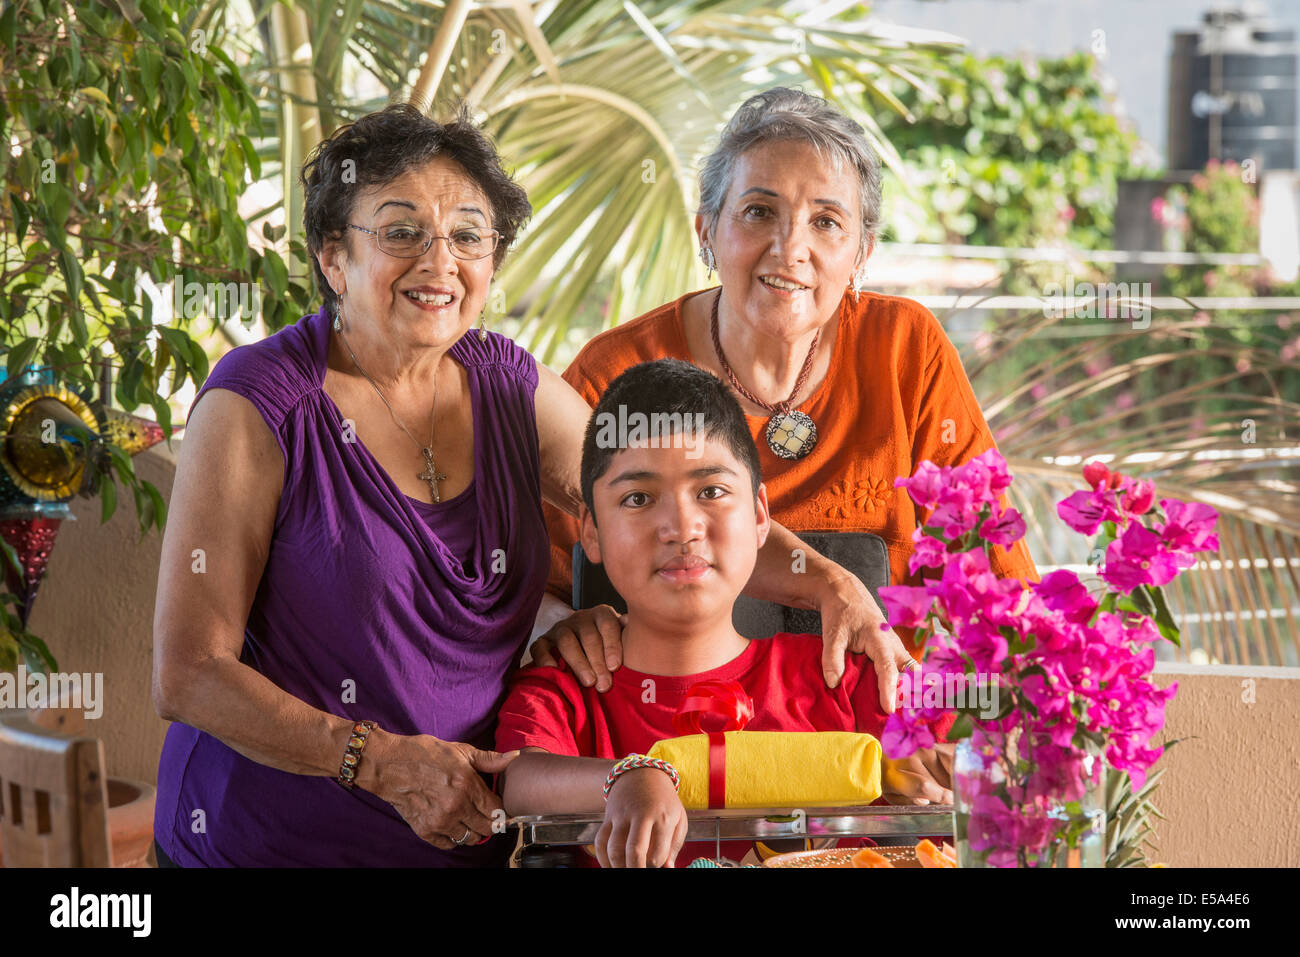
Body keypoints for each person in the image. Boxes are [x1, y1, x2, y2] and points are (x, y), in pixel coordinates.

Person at [151, 103, 910, 867]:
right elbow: (188, 673)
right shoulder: (258, 402)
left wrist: (831, 584)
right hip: (268, 846)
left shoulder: (509, 387)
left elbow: (667, 499)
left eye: (468, 237)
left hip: (471, 842)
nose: (439, 262)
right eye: (401, 231)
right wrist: (376, 760)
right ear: (333, 256)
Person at [533, 88, 1039, 703]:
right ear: (707, 231)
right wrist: (563, 626)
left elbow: (996, 584)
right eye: (758, 212)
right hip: (667, 751)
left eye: (826, 222)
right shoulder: (616, 373)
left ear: (861, 254)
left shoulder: (907, 349)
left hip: (882, 743)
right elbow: (539, 585)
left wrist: (965, 721)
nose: (789, 248)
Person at [498, 360, 954, 868]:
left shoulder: (848, 680)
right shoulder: (568, 687)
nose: (681, 526)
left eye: (711, 492)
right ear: (591, 533)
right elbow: (519, 779)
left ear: (760, 516)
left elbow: (951, 786)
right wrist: (630, 775)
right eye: (638, 498)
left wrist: (953, 779)